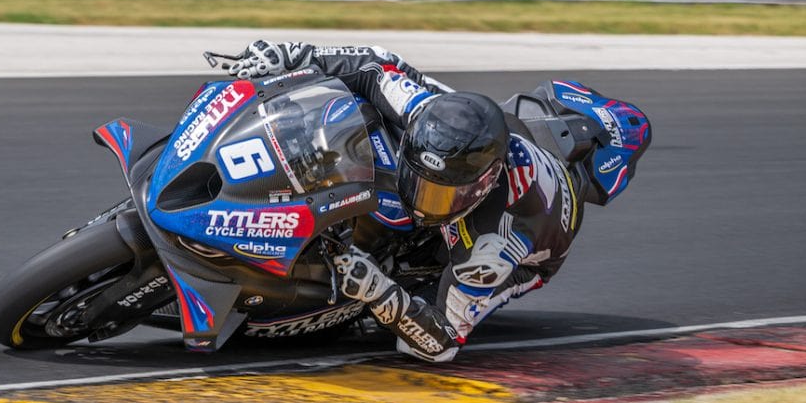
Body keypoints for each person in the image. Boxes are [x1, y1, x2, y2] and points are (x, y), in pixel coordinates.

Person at [213, 41, 651, 363]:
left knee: (393, 302)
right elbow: (375, 63)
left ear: (482, 185)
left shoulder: (492, 249)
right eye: (422, 183)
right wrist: (290, 55)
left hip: (525, 248)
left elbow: (439, 344)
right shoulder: (427, 112)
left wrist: (377, 289)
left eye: (440, 194)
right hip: (504, 137)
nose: (425, 202)